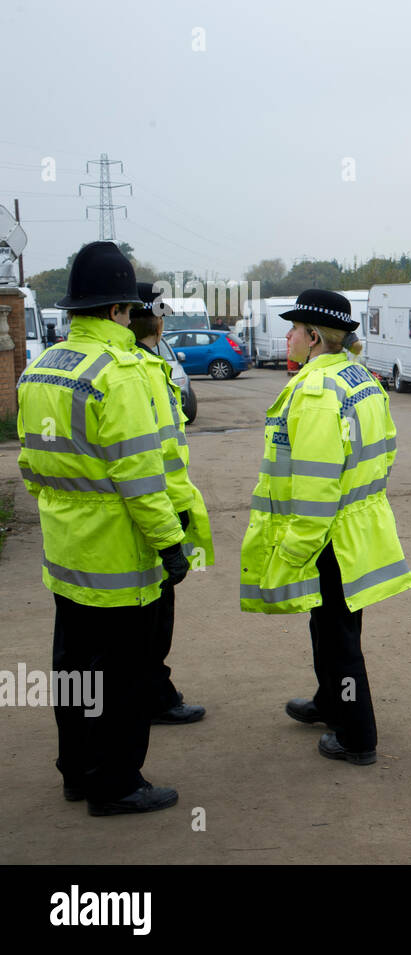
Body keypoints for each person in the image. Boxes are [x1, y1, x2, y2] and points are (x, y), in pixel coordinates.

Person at [16, 241, 187, 815]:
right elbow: (141, 477)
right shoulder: (124, 373)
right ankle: (117, 784)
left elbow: (29, 463)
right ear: (119, 309)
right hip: (119, 557)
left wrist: (65, 505)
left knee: (75, 668)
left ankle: (78, 771)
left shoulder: (40, 366)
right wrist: (171, 544)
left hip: (66, 553)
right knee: (127, 674)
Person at [239, 289, 411, 765]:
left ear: (314, 337)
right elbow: (388, 450)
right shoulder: (358, 377)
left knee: (338, 636)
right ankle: (329, 700)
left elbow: (316, 488)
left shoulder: (316, 393)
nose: (287, 336)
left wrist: (293, 551)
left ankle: (357, 737)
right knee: (332, 624)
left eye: (294, 329)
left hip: (329, 534)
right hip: (356, 529)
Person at [128, 283, 212, 725]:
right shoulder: (140, 370)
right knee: (153, 616)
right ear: (158, 324)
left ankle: (153, 692)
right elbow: (144, 462)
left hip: (147, 507)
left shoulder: (145, 366)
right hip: (153, 511)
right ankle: (152, 696)